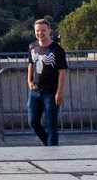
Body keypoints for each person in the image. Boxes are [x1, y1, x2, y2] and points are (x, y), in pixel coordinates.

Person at [26, 18, 67, 146]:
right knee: (33, 122)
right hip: (35, 91)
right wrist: (29, 81)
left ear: (49, 31)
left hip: (51, 92)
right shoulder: (33, 46)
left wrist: (59, 93)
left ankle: (52, 149)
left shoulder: (56, 49)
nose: (40, 33)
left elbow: (62, 72)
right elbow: (31, 64)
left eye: (43, 30)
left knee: (51, 124)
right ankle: (48, 144)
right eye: (38, 30)